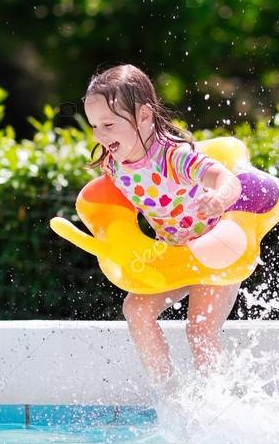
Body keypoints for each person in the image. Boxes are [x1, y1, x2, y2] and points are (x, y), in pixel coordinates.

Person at [82, 64, 243, 391]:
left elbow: (228, 179)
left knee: (199, 328)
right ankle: (170, 397)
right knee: (136, 310)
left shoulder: (174, 157)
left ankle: (222, 403)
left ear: (143, 116)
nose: (100, 135)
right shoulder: (115, 165)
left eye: (109, 124)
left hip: (215, 252)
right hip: (172, 253)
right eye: (94, 126)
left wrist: (219, 199)